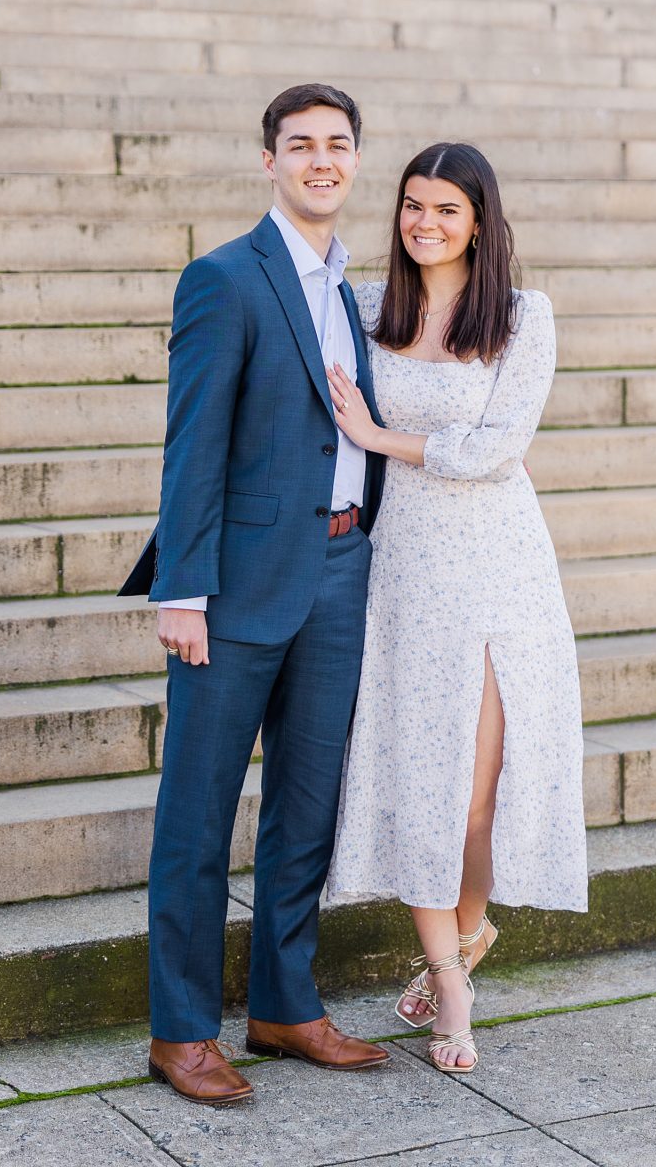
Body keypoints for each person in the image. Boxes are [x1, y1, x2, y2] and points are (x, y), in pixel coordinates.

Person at [119, 83, 390, 1107]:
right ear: (266, 161)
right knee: (195, 814)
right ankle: (180, 1031)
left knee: (305, 807)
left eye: (336, 144)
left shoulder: (354, 294)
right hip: (230, 588)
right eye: (299, 144)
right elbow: (192, 447)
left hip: (336, 572)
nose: (319, 159)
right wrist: (180, 589)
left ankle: (284, 1003)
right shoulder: (223, 278)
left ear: (354, 159)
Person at [326, 141, 589, 1074]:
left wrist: (376, 434)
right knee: (421, 777)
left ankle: (461, 942)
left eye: (444, 209)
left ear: (479, 219)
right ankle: (452, 986)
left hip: (499, 564)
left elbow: (493, 450)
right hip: (404, 570)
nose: (424, 223)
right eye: (410, 206)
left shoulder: (522, 318)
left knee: (478, 792)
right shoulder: (366, 309)